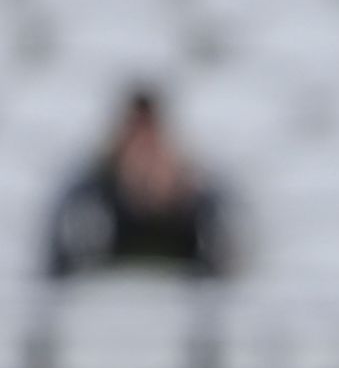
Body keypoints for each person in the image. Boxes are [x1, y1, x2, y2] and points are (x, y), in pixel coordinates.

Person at [46, 85, 230, 280]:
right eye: (136, 129)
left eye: (147, 129)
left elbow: (218, 242)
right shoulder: (98, 179)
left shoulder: (187, 178)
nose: (142, 142)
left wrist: (177, 197)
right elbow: (64, 236)